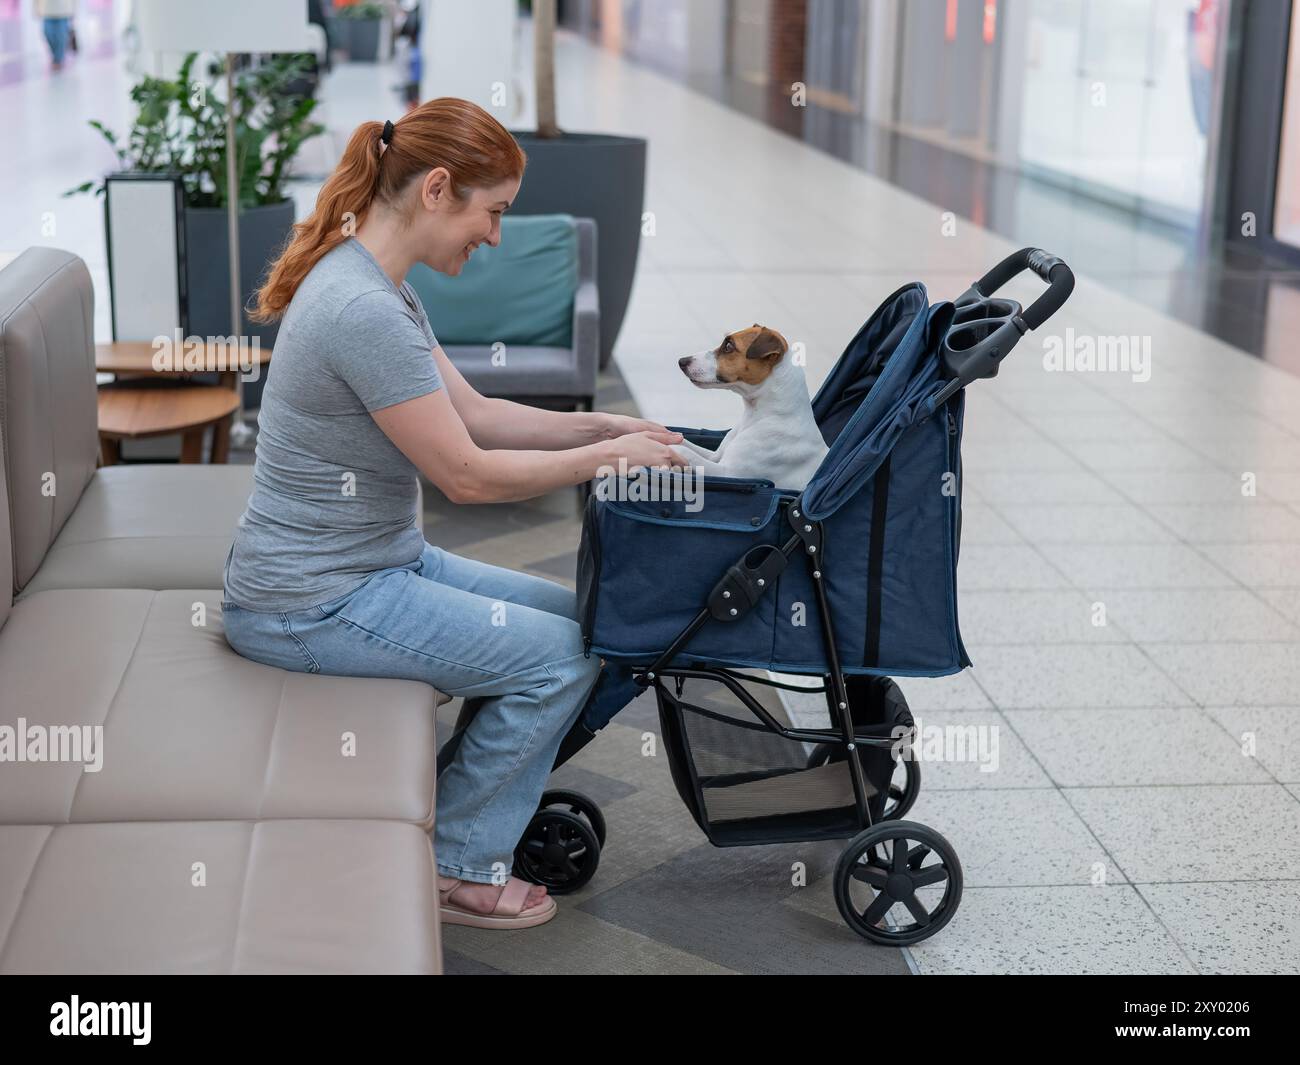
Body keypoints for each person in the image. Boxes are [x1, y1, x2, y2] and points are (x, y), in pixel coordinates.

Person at [222, 98, 686, 929]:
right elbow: (465, 474)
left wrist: (606, 422)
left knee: (587, 620)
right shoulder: (361, 307)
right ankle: (455, 867)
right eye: (494, 212)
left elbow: (474, 411)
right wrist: (605, 460)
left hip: (376, 564)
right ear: (438, 188)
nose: (497, 236)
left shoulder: (379, 283)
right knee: (558, 657)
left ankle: (452, 803)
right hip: (309, 600)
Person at [36, 0, 76, 71]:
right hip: (46, 10)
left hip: (63, 10)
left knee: (61, 36)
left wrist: (74, 9)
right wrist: (36, 8)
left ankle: (58, 59)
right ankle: (56, 56)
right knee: (47, 33)